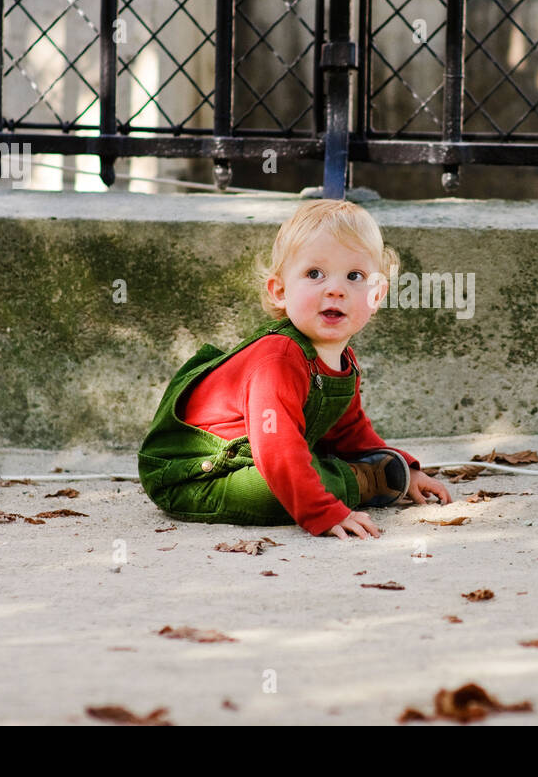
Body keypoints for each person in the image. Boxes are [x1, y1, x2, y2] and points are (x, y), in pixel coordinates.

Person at [138, 199, 452, 540]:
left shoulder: (342, 357)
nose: (335, 289)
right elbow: (278, 452)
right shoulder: (279, 358)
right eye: (314, 274)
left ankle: (362, 475)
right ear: (280, 292)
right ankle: (359, 482)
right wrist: (324, 511)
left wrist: (406, 466)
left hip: (259, 456)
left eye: (355, 276)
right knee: (278, 490)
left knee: (300, 470)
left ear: (376, 295)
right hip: (192, 476)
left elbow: (350, 430)